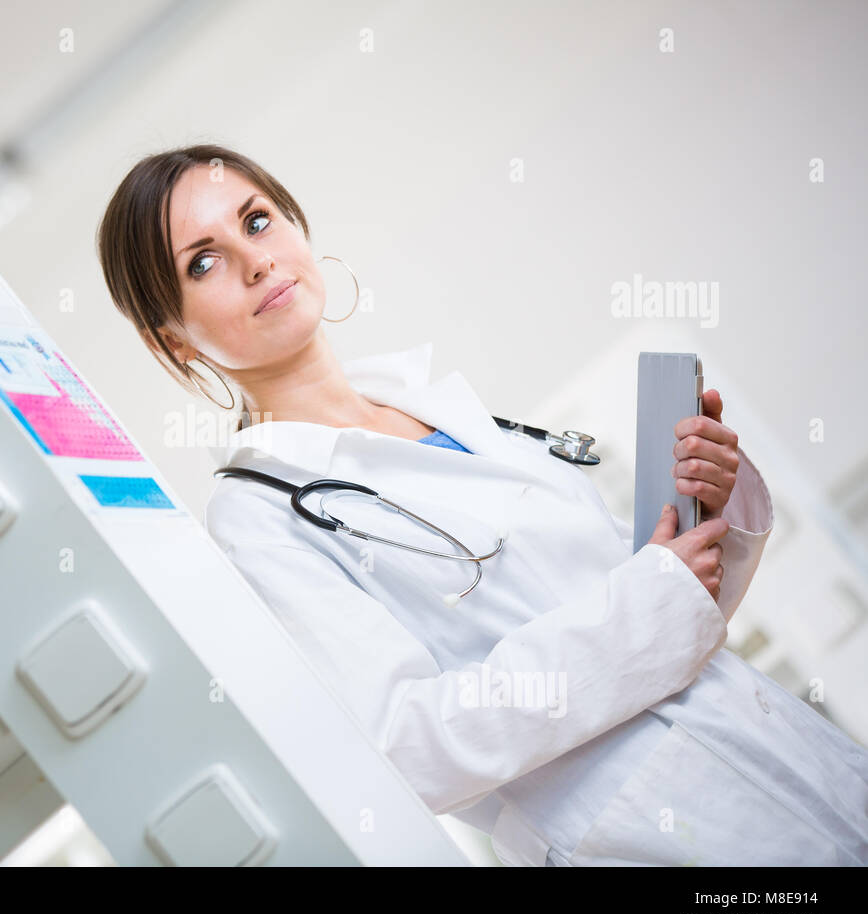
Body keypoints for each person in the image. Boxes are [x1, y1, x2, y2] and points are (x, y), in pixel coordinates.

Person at [95, 145, 868, 866]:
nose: (255, 259)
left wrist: (714, 506)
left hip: (791, 751)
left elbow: (670, 609)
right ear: (176, 340)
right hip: (650, 830)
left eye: (257, 220)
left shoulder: (442, 407)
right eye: (205, 263)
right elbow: (406, 746)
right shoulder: (259, 513)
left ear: (297, 226)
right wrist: (645, 607)